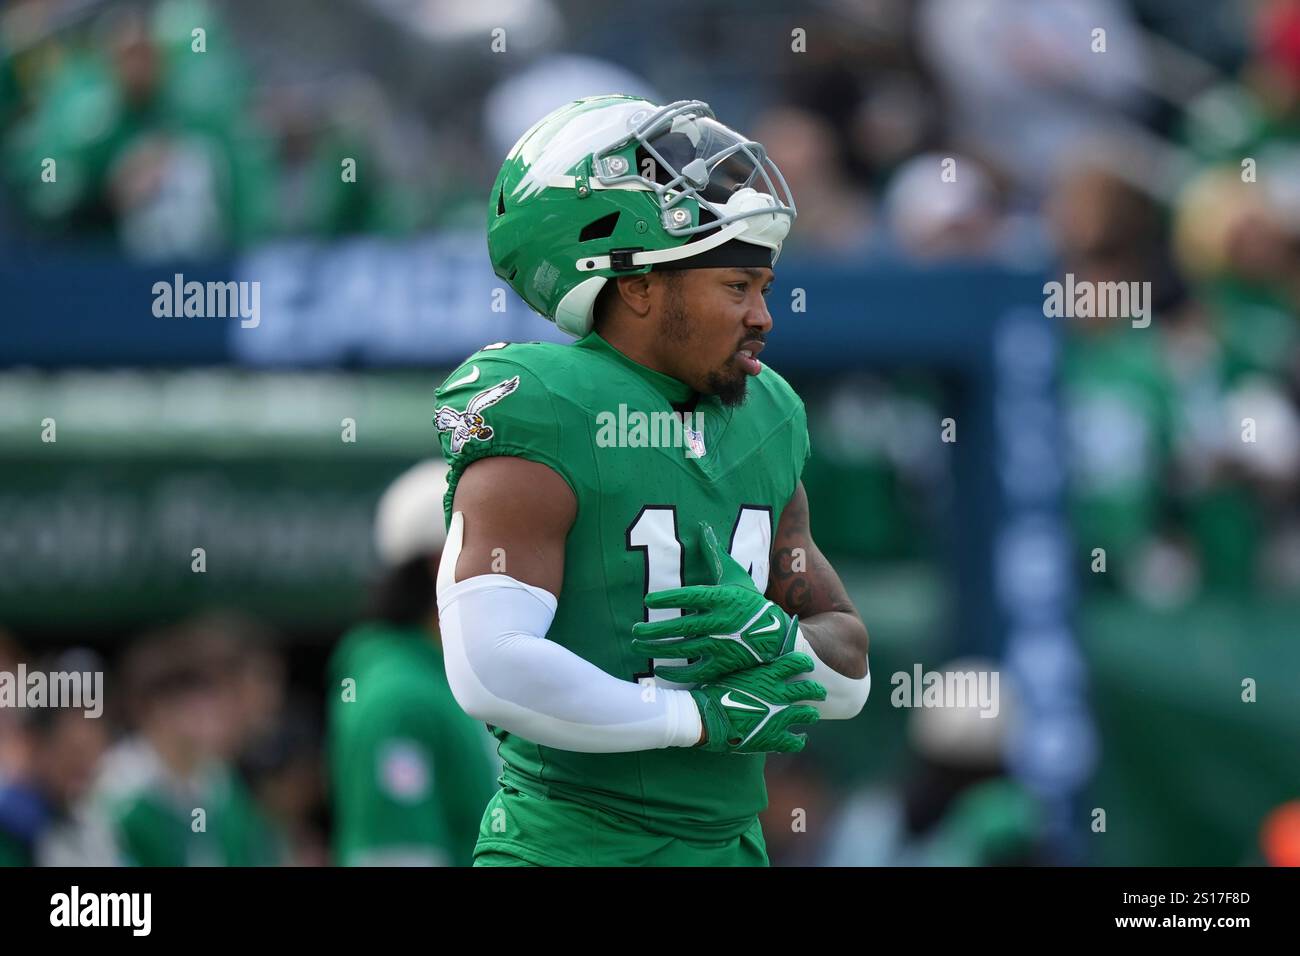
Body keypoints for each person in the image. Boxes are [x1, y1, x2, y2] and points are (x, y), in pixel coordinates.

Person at [433, 95, 872, 867]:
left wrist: (776, 639)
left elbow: (850, 675)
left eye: (764, 288)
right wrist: (693, 716)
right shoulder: (544, 402)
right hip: (572, 847)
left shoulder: (766, 413)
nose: (764, 316)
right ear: (636, 285)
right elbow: (490, 667)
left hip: (731, 846)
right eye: (737, 286)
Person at [328, 460, 498, 866]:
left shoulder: (441, 676)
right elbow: (394, 855)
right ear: (439, 562)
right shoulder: (399, 697)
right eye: (493, 549)